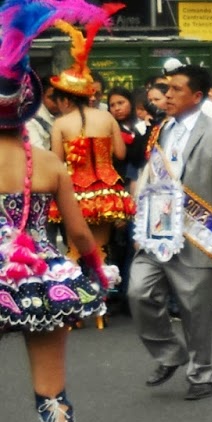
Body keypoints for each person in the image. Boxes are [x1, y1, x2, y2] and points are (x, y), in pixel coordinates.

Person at [0, 0, 117, 422]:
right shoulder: (45, 163)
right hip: (42, 281)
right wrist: (93, 274)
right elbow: (78, 236)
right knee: (52, 391)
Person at [131, 64, 212, 400]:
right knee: (139, 292)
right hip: (158, 231)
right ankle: (169, 354)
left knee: (196, 310)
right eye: (167, 89)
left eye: (175, 89)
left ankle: (201, 373)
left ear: (197, 96)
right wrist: (139, 221)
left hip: (198, 234)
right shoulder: (162, 129)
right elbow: (152, 178)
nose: (168, 94)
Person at [45, 17, 132, 257]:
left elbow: (57, 162)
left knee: (74, 251)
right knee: (101, 251)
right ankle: (101, 291)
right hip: (107, 191)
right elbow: (120, 154)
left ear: (66, 99)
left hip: (72, 193)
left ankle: (74, 292)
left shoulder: (60, 123)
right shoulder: (107, 118)